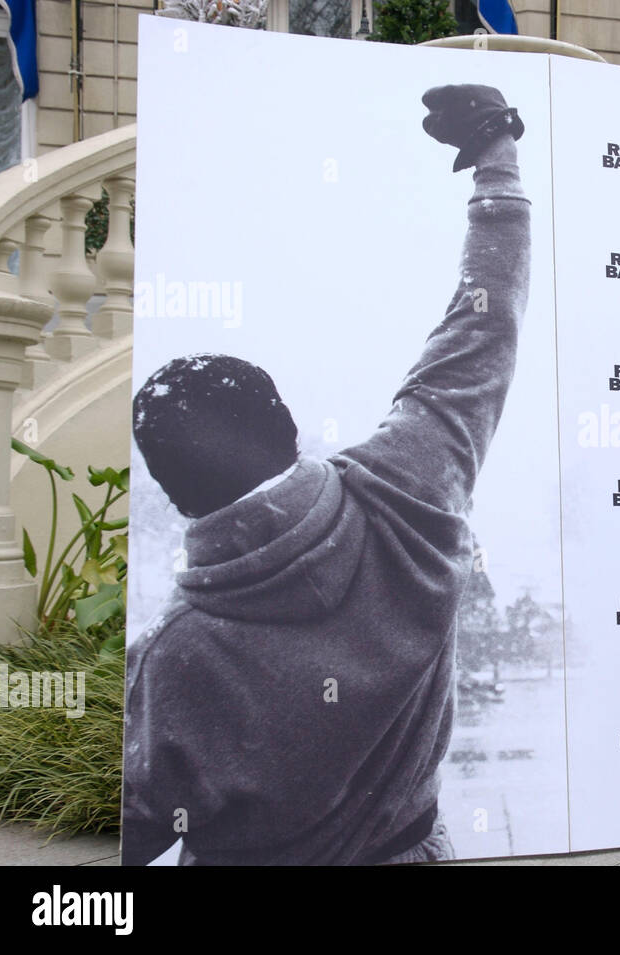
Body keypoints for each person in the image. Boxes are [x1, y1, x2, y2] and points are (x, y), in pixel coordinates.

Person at [122, 85, 530, 865]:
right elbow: (486, 323)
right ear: (287, 425)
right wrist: (496, 155)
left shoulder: (174, 660)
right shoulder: (409, 487)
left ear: (173, 496)